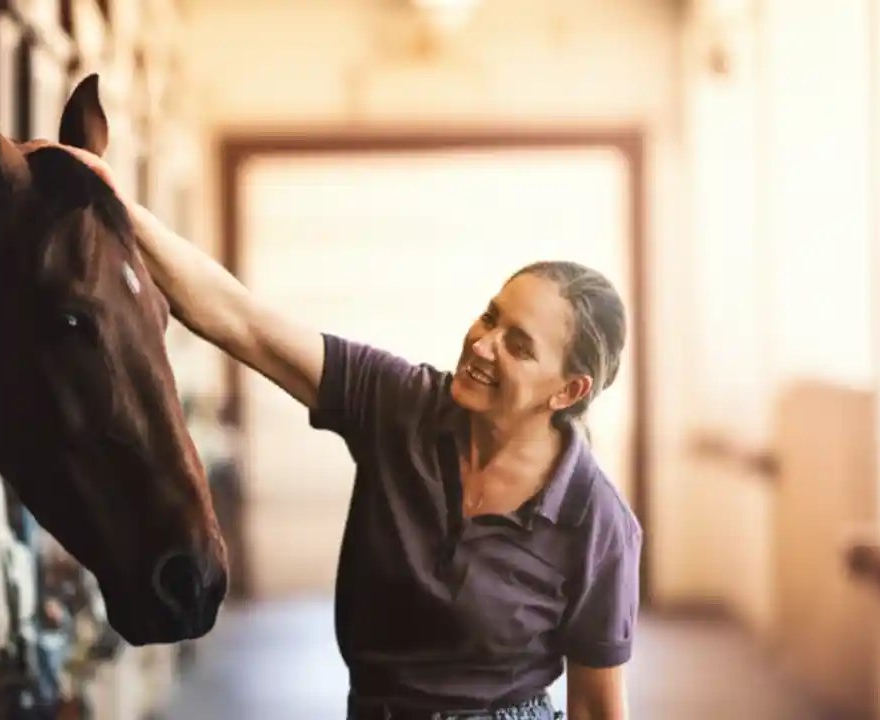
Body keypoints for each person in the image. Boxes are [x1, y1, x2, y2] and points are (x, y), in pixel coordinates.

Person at [60, 146, 641, 720]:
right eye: (491, 316)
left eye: (518, 346)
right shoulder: (397, 403)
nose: (483, 345)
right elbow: (241, 320)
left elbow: (595, 706)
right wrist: (115, 205)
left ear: (568, 392)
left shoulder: (596, 523)